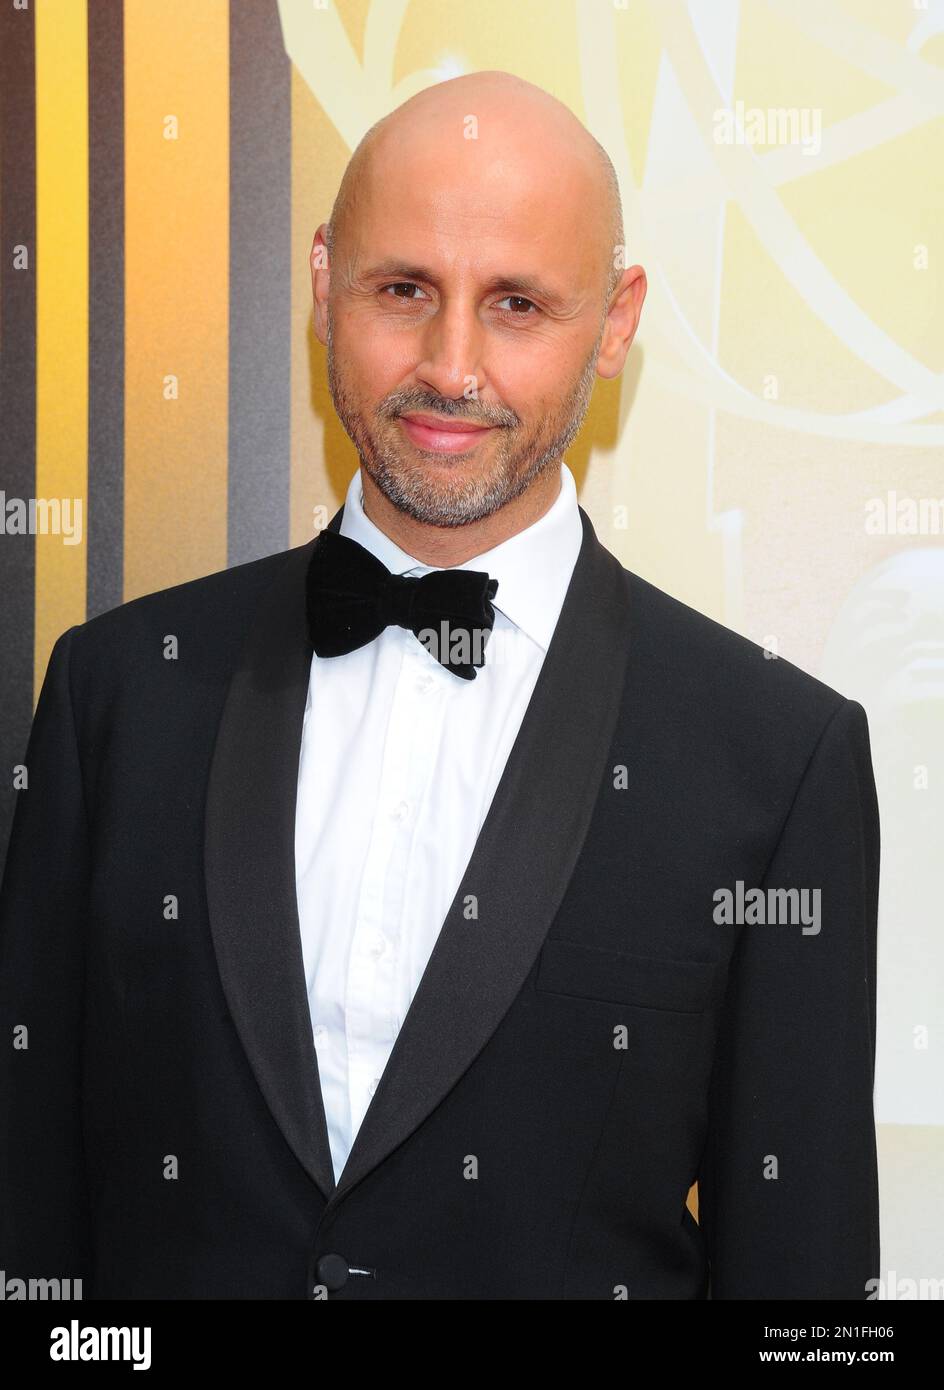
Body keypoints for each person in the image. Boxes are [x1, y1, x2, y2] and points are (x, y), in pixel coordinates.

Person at [0, 70, 879, 1300]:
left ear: (616, 320)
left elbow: (802, 1278)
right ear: (320, 284)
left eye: (517, 304)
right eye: (402, 289)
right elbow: (29, 1211)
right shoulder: (117, 696)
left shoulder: (773, 760)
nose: (450, 366)